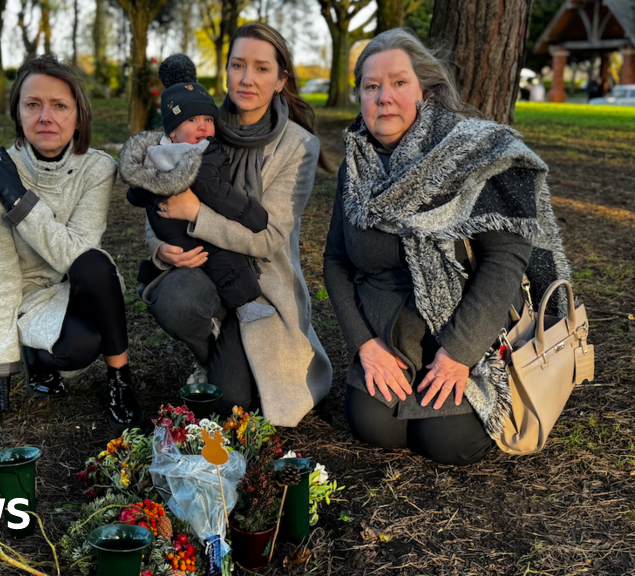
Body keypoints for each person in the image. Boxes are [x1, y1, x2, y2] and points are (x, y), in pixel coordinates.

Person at [323, 29, 571, 465]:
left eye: (399, 83)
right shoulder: (355, 166)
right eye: (371, 86)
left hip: (469, 330)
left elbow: (505, 258)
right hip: (388, 338)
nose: (384, 97)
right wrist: (363, 344)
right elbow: (337, 261)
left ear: (425, 90)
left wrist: (458, 355)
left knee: (449, 441)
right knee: (373, 426)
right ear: (359, 97)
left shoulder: (473, 153)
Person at [140, 22, 332, 426]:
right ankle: (211, 341)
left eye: (262, 68)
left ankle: (233, 352)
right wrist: (157, 245)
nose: (246, 79)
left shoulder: (299, 145)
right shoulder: (200, 122)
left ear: (281, 80)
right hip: (204, 264)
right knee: (178, 300)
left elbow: (271, 237)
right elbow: (156, 191)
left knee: (231, 402)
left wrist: (195, 214)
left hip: (263, 281)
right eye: (237, 65)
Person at [0, 54, 142, 431]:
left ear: (78, 116)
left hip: (79, 283)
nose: (45, 117)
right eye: (33, 104)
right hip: (31, 298)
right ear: (18, 113)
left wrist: (16, 197)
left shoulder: (98, 168)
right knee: (79, 348)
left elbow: (75, 252)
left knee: (94, 262)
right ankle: (35, 353)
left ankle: (120, 382)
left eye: (59, 105)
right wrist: (1, 363)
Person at [121, 54, 276, 324]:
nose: (203, 125)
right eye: (192, 120)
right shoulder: (199, 154)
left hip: (177, 228)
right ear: (171, 131)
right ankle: (244, 304)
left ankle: (155, 281)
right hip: (183, 232)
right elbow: (217, 192)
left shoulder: (160, 152)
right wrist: (252, 214)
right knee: (224, 258)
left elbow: (138, 192)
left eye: (207, 118)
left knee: (216, 259)